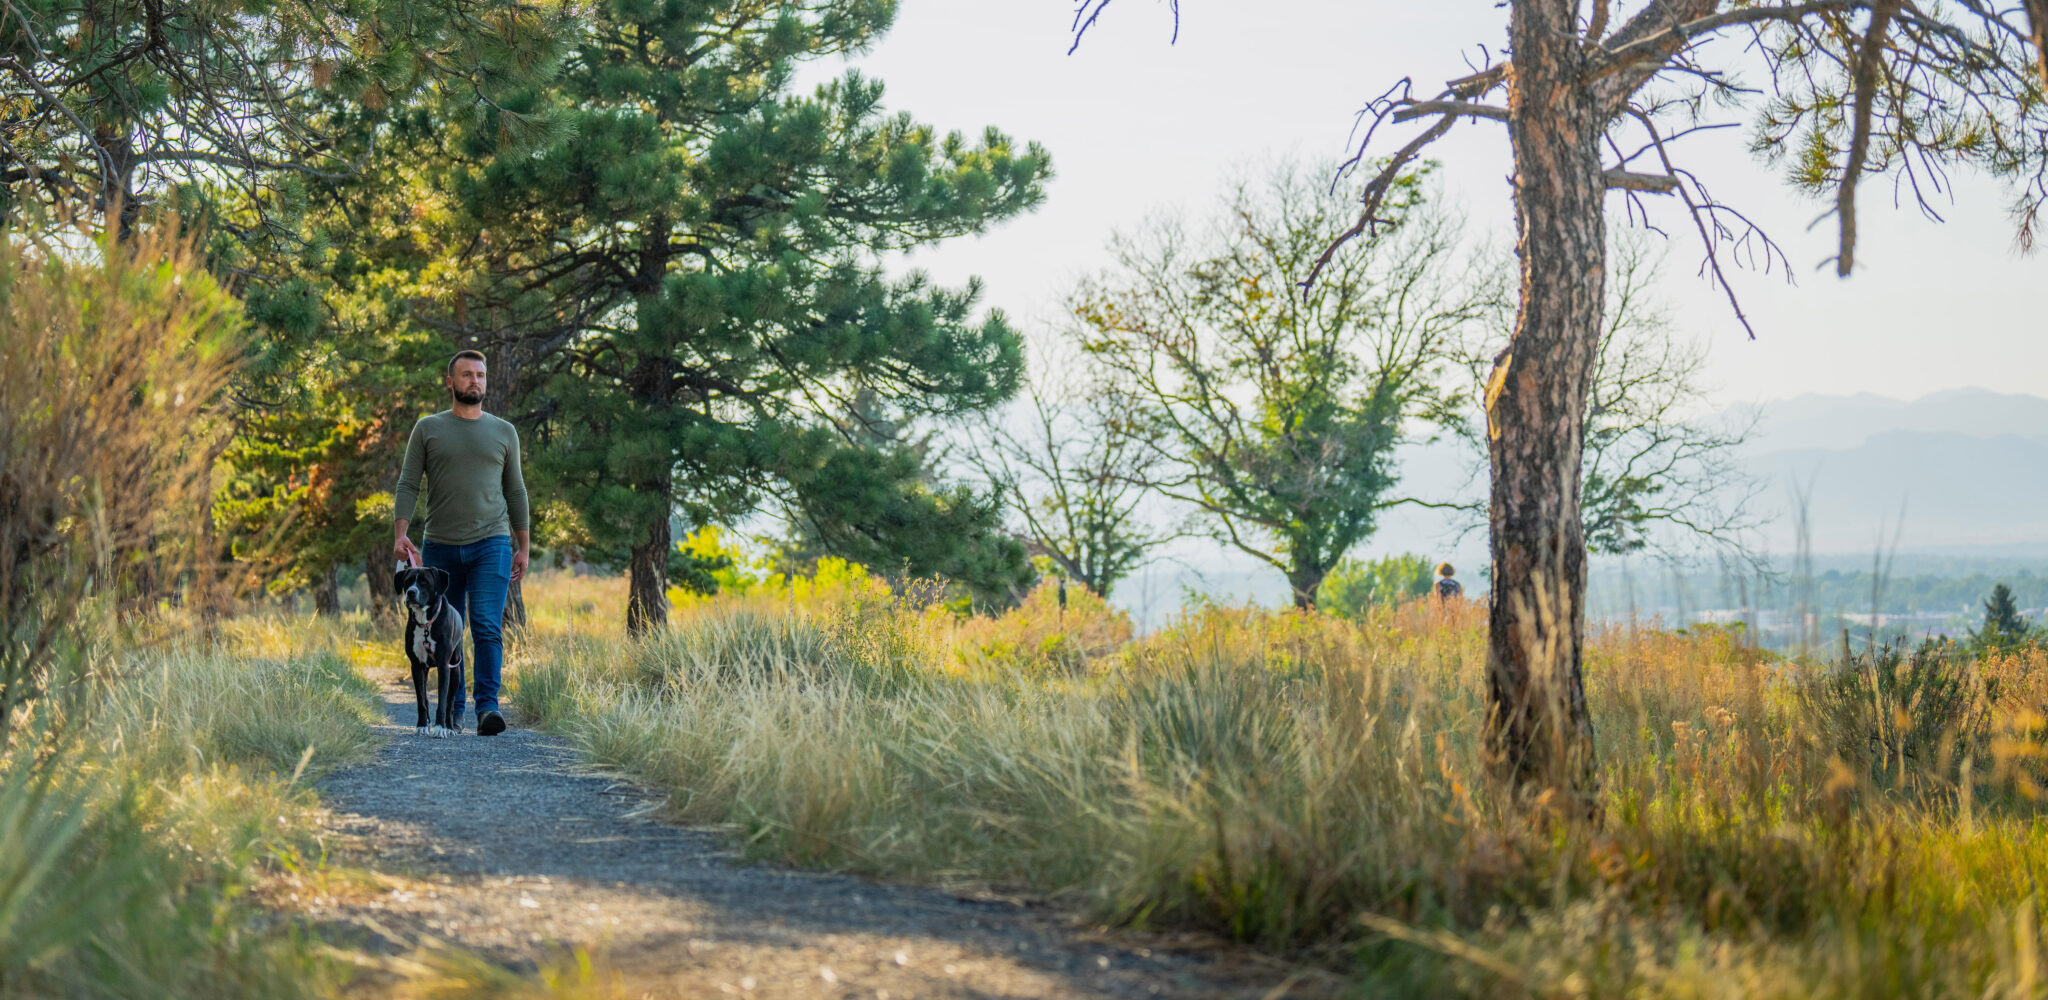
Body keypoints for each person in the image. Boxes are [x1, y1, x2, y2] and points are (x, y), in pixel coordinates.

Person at [392, 350, 530, 736]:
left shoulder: (504, 432)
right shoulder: (428, 428)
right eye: (467, 374)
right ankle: (452, 711)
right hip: (439, 546)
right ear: (450, 381)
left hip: (492, 543)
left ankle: (487, 709)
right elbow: (407, 483)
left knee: (486, 623)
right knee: (450, 626)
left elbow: (515, 490)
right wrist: (401, 533)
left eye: (481, 375)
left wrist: (523, 545)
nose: (475, 381)